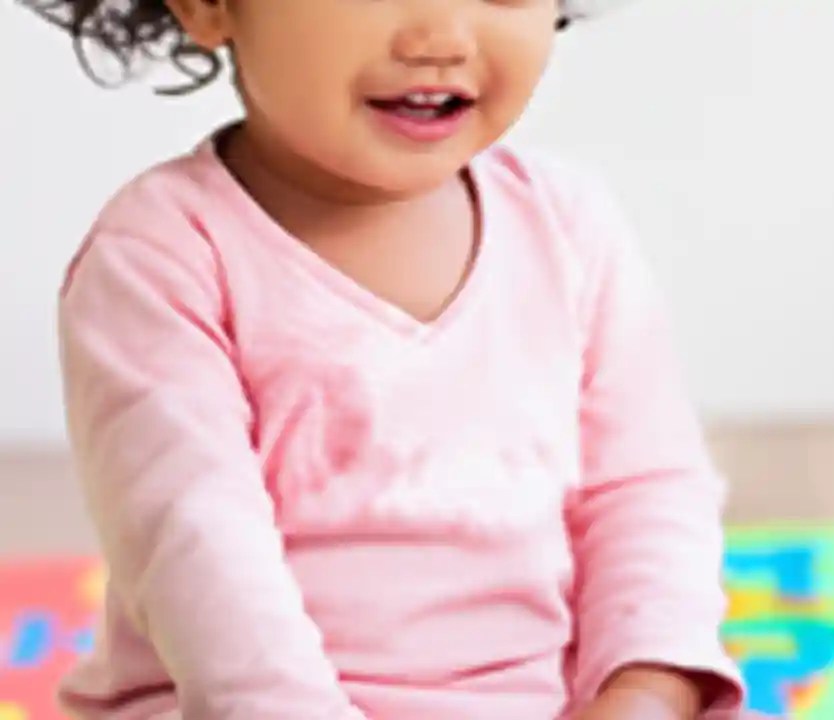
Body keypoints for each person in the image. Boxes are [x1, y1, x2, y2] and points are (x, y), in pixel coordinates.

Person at [22, 1, 746, 718]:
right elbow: (195, 543)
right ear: (209, 6)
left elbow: (646, 487)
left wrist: (645, 686)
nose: (441, 36)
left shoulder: (567, 224)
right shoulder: (164, 256)